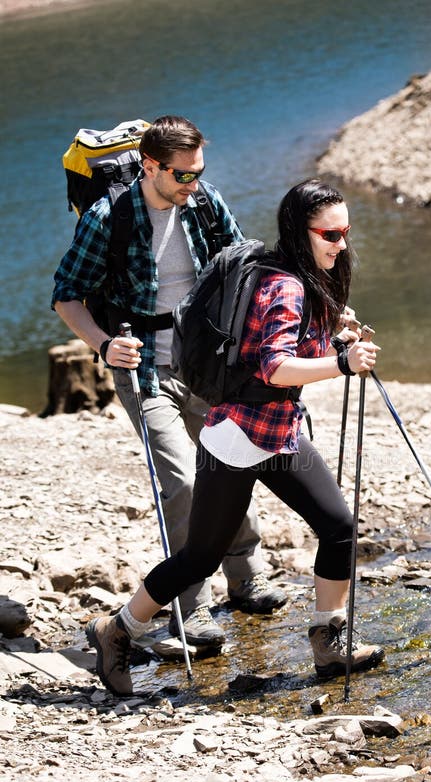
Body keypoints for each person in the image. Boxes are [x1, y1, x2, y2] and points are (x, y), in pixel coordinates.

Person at [85, 178, 386, 696]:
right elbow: (274, 367)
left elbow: (281, 348)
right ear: (301, 231)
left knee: (338, 526)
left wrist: (335, 336)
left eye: (346, 232)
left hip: (276, 434)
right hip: (239, 441)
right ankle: (117, 629)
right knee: (200, 558)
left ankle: (329, 641)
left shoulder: (296, 276)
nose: (341, 244)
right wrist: (341, 363)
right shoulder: (286, 286)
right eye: (330, 234)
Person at [52, 115, 287, 654]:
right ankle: (191, 604)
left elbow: (245, 266)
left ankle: (247, 578)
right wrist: (103, 345)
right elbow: (66, 294)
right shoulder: (108, 217)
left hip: (208, 364)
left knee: (232, 464)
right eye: (183, 175)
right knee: (183, 482)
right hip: (145, 371)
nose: (193, 183)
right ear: (150, 167)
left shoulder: (203, 202)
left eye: (198, 172)